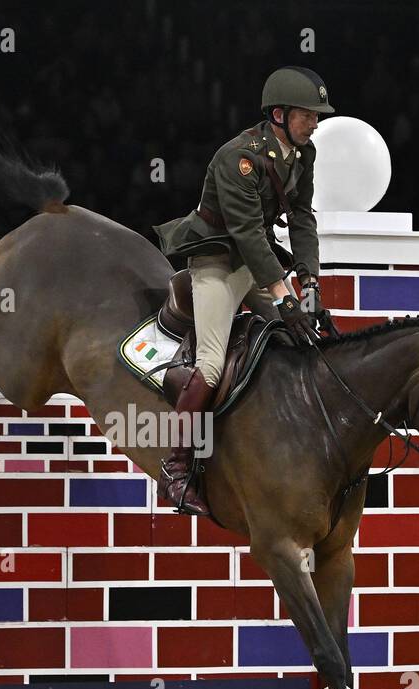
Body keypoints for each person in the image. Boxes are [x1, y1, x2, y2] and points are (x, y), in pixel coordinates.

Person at [152, 66, 337, 515]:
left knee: (302, 339)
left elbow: (302, 218)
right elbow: (249, 233)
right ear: (279, 114)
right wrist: (283, 295)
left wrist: (309, 283)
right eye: (308, 115)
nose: (316, 122)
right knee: (212, 365)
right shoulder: (239, 157)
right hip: (217, 259)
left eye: (318, 115)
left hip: (254, 260)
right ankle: (175, 471)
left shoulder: (302, 154)